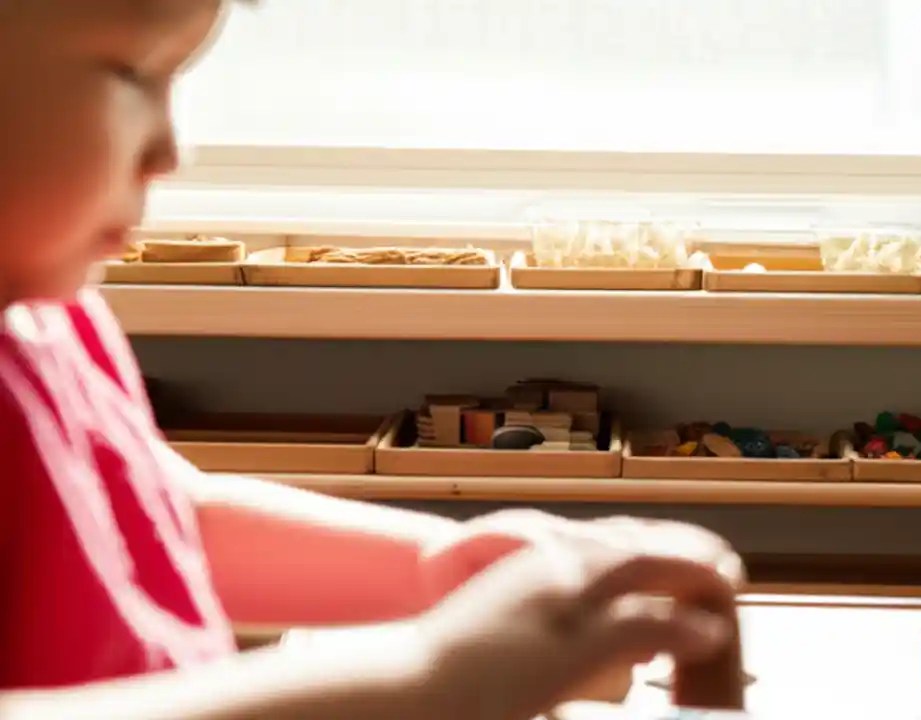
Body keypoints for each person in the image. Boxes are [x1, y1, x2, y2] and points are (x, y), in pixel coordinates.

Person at [0, 1, 742, 718]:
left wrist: (441, 567)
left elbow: (159, 524)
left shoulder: (51, 321)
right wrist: (432, 684)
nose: (172, 151)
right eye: (132, 73)